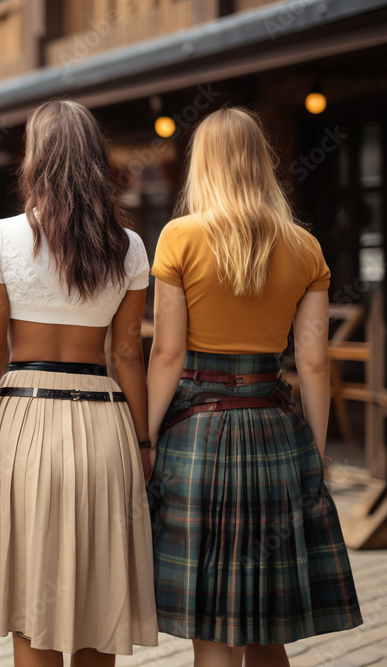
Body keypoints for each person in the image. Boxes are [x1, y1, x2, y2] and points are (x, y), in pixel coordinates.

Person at [146, 107, 363, 667]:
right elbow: (313, 362)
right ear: (261, 164)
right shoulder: (304, 247)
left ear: (205, 165)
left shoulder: (179, 237)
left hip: (197, 437)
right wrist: (314, 450)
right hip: (276, 435)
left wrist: (144, 438)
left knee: (213, 630)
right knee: (269, 626)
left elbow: (167, 353)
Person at [0, 99, 158, 667]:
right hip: (104, 424)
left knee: (34, 605)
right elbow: (128, 353)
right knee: (98, 602)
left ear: (36, 159)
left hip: (22, 424)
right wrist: (144, 442)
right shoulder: (127, 246)